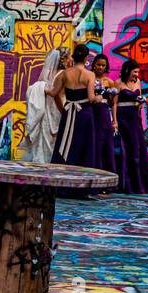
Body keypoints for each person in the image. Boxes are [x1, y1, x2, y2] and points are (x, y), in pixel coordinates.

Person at [50, 45, 103, 191]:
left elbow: (54, 93)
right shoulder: (89, 75)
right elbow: (91, 98)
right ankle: (82, 187)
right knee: (84, 147)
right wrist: (99, 97)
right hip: (84, 114)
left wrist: (63, 109)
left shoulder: (64, 73)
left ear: (73, 57)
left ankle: (61, 185)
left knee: (66, 145)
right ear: (86, 58)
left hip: (68, 113)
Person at [113, 59, 148, 194]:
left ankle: (139, 183)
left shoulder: (138, 82)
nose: (137, 74)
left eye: (138, 72)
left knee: (137, 149)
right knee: (126, 150)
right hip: (123, 118)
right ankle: (126, 184)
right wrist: (115, 121)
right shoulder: (118, 83)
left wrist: (140, 103)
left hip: (135, 118)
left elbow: (140, 100)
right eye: (135, 71)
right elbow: (114, 103)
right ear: (127, 71)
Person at [22, 49, 63, 163]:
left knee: (46, 142)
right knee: (50, 142)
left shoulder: (51, 74)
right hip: (54, 110)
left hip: (49, 110)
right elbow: (56, 95)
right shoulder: (62, 75)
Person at [90, 53, 119, 176]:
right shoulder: (89, 78)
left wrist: (115, 121)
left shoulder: (110, 82)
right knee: (93, 143)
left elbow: (113, 104)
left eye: (103, 65)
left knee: (105, 144)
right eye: (98, 64)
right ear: (94, 65)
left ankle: (106, 175)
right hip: (92, 112)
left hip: (104, 114)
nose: (100, 67)